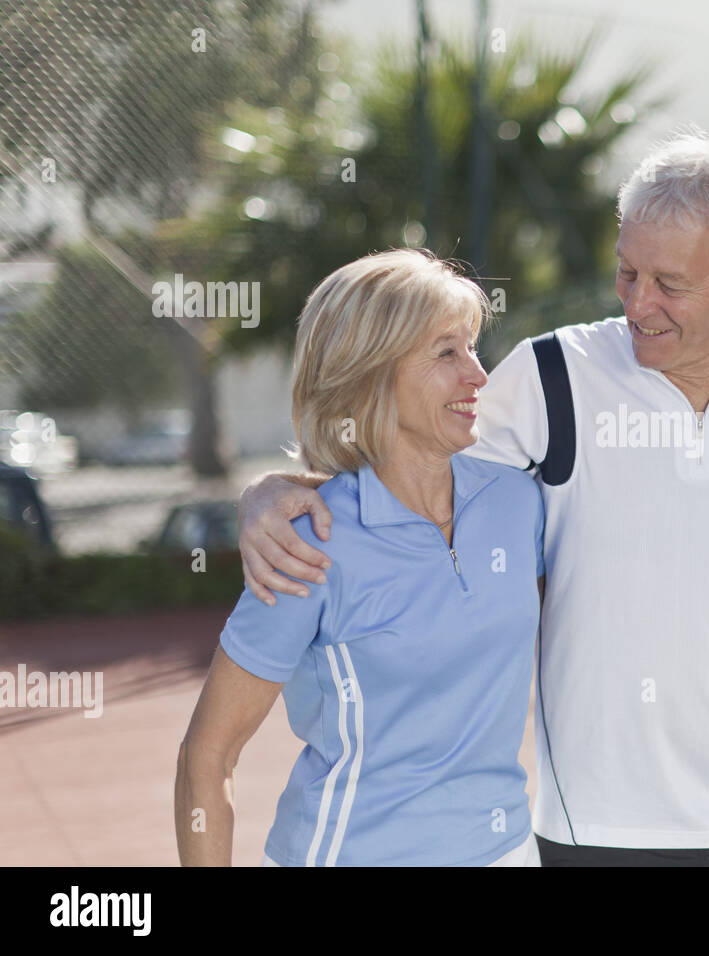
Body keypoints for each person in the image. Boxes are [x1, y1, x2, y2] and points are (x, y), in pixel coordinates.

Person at [238, 130, 709, 867]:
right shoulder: (551, 377)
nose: (638, 303)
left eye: (669, 284)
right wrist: (274, 491)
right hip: (596, 824)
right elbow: (400, 455)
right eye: (627, 273)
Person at [175, 249, 545, 866]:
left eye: (474, 348)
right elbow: (206, 757)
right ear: (372, 374)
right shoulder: (308, 541)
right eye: (446, 352)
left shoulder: (519, 502)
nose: (479, 375)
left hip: (506, 853)